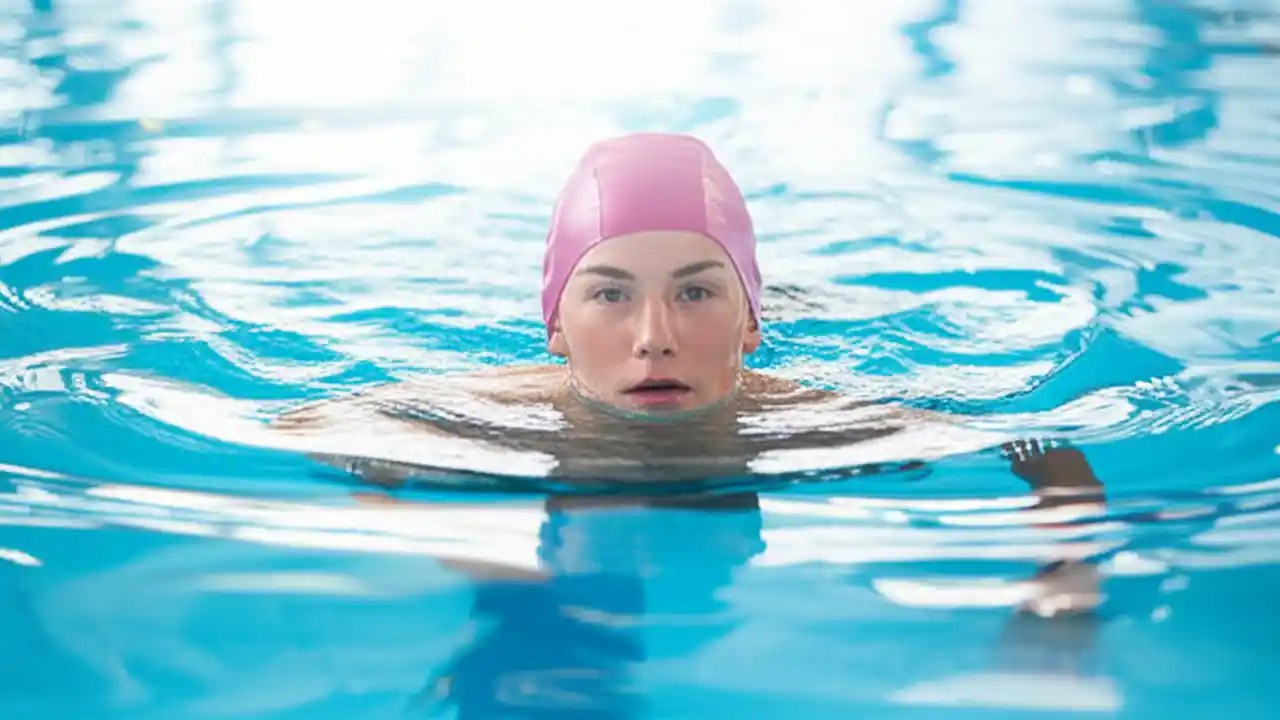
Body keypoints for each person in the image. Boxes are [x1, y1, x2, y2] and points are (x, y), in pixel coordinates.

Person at [275, 132, 1102, 501]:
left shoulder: (811, 421)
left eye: (698, 292)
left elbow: (1049, 459)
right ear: (555, 328)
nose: (654, 336)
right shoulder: (501, 408)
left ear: (750, 324)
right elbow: (316, 429)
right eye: (608, 293)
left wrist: (1059, 604)